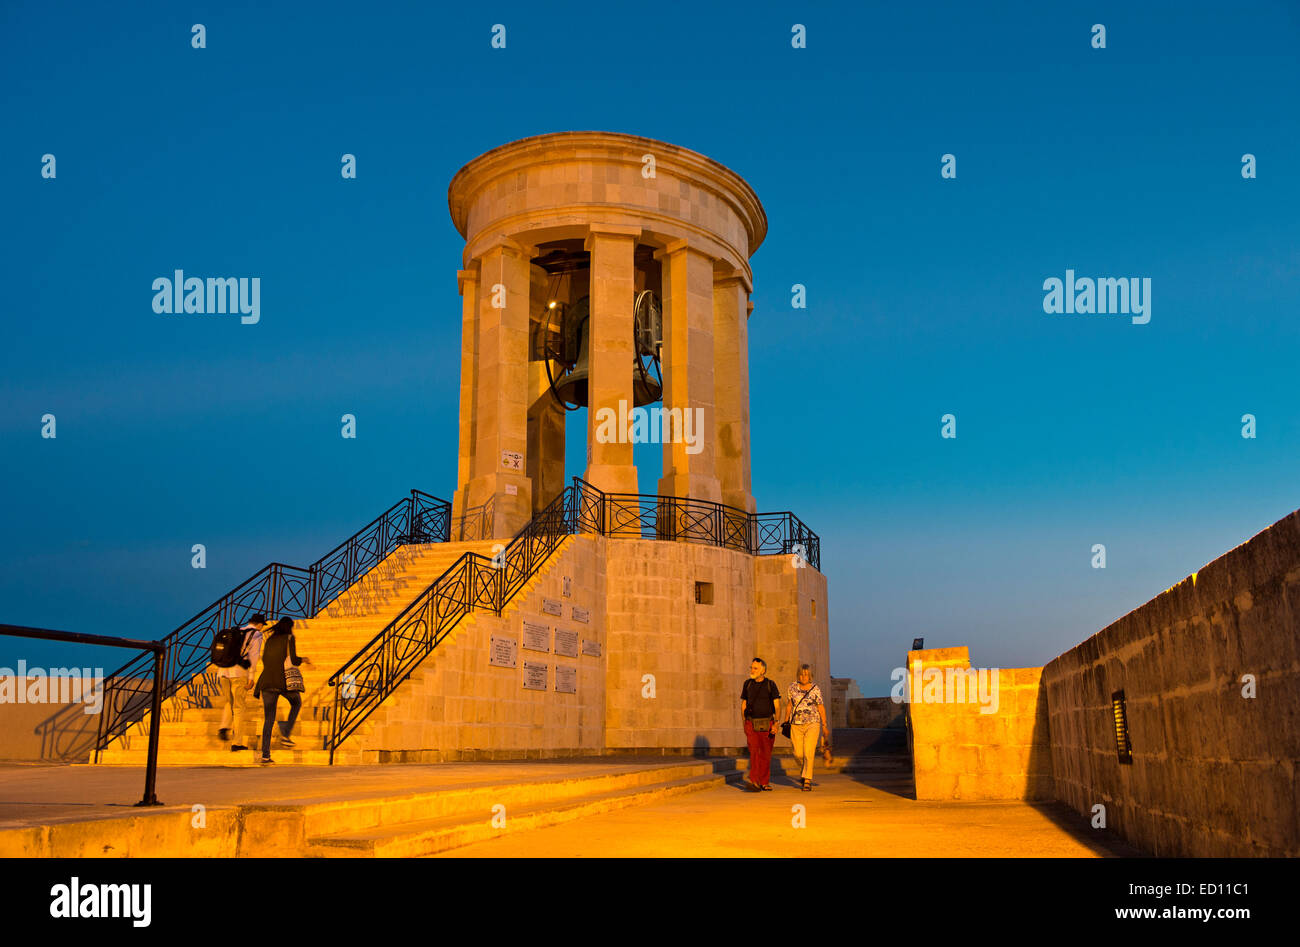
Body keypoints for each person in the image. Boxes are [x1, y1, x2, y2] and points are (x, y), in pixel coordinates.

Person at [252, 617, 311, 764]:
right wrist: (304, 659)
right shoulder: (289, 638)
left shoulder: (270, 640)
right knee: (296, 702)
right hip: (282, 681)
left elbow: (265, 659)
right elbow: (294, 659)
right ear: (289, 627)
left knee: (269, 719)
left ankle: (265, 755)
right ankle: (285, 732)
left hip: (266, 681)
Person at [216, 614, 267, 752]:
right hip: (239, 673)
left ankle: (223, 726)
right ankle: (237, 742)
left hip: (223, 671)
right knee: (239, 708)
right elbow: (254, 656)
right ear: (260, 624)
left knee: (229, 701)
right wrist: (251, 676)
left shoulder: (237, 631)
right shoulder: (256, 635)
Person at [782, 664, 830, 791]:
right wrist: (785, 721)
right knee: (798, 753)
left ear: (810, 676)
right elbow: (789, 705)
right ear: (798, 675)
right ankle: (805, 770)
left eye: (806, 674)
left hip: (812, 723)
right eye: (802, 674)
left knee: (809, 752)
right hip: (795, 724)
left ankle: (807, 779)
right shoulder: (792, 687)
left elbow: (820, 707)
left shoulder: (815, 689)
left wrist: (824, 725)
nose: (804, 677)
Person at [740, 657, 781, 791]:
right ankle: (754, 781)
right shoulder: (747, 684)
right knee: (753, 752)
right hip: (751, 723)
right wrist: (744, 723)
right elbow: (743, 704)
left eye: (755, 668)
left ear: (763, 670)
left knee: (765, 753)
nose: (752, 670)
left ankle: (764, 781)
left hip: (767, 723)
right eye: (751, 667)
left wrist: (776, 724)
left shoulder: (770, 684)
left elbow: (777, 706)